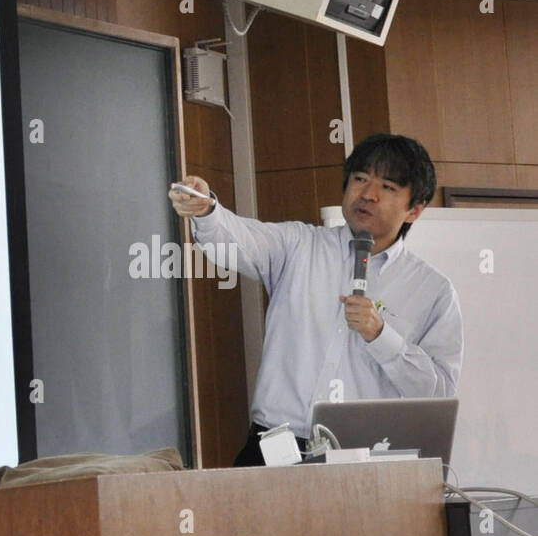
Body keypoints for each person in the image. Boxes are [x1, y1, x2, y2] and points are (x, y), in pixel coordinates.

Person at [169, 133, 463, 467]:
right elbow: (236, 237)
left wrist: (382, 336)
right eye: (359, 179)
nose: (367, 194)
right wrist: (207, 210)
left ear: (415, 210)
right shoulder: (298, 245)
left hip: (366, 458)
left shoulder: (432, 290)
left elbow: (438, 394)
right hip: (274, 449)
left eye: (388, 187)